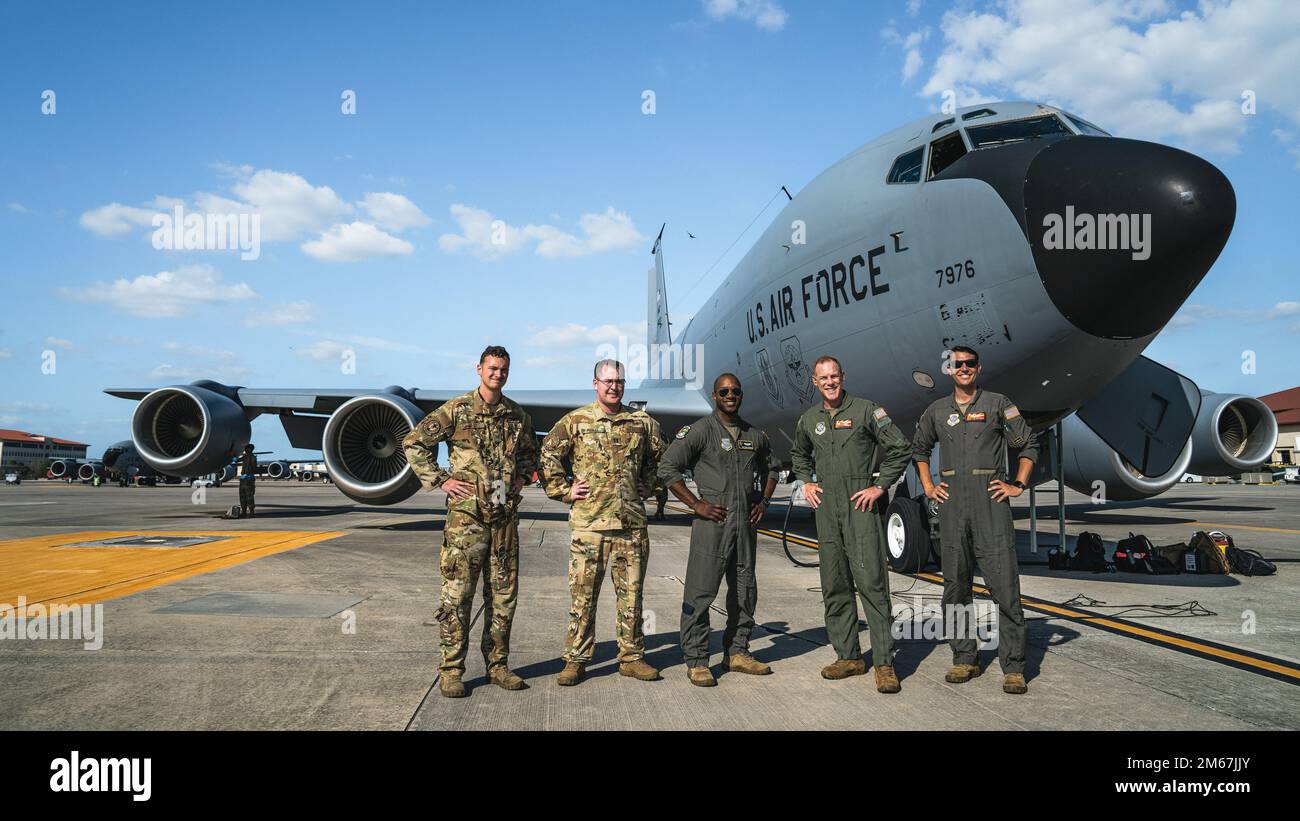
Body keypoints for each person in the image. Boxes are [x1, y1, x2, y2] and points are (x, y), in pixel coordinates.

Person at [401, 345, 538, 698]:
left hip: (503, 517)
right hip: (467, 519)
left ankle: (498, 666)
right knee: (457, 596)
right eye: (492, 368)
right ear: (479, 369)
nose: (497, 374)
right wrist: (441, 479)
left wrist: (522, 476)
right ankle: (451, 670)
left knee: (503, 597)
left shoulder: (516, 415)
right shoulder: (457, 410)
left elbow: (529, 453)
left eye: (503, 369)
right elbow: (414, 442)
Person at [911, 345, 1039, 694]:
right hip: (952, 506)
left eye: (969, 364)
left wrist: (1017, 485)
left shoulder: (998, 404)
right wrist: (928, 486)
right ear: (949, 369)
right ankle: (964, 658)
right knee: (955, 587)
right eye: (958, 364)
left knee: (1005, 587)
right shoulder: (937, 410)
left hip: (990, 505)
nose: (964, 368)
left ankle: (1013, 667)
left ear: (978, 369)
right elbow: (919, 448)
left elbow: (1028, 444)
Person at [790, 355, 911, 693]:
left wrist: (880, 485)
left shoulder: (866, 411)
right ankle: (849, 657)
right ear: (815, 382)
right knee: (835, 585)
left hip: (860, 507)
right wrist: (806, 481)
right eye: (823, 378)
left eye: (834, 376)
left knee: (872, 584)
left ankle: (884, 663)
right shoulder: (809, 419)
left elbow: (900, 448)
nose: (830, 382)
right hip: (827, 510)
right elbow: (798, 453)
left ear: (843, 376)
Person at [540, 359, 665, 686]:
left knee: (632, 597)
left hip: (630, 526)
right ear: (595, 384)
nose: (614, 386)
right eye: (608, 381)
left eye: (619, 381)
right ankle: (576, 659)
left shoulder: (641, 422)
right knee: (582, 598)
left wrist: (650, 484)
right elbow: (548, 452)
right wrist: (563, 490)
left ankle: (632, 658)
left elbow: (662, 458)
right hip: (589, 527)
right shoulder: (576, 421)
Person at [659, 373, 776, 686]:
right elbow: (667, 467)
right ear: (715, 396)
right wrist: (696, 504)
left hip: (745, 526)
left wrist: (764, 501)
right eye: (724, 391)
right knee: (700, 592)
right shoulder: (700, 431)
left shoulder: (754, 435)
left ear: (741, 395)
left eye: (735, 391)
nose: (730, 395)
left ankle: (737, 652)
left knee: (744, 591)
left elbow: (773, 468)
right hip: (713, 524)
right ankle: (697, 659)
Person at [238, 445, 257, 517]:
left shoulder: (253, 457)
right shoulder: (245, 457)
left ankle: (251, 512)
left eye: (247, 449)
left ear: (250, 449)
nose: (245, 450)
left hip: (249, 479)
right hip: (243, 479)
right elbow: (237, 460)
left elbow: (254, 468)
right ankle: (244, 512)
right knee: (242, 496)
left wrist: (248, 474)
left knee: (249, 496)